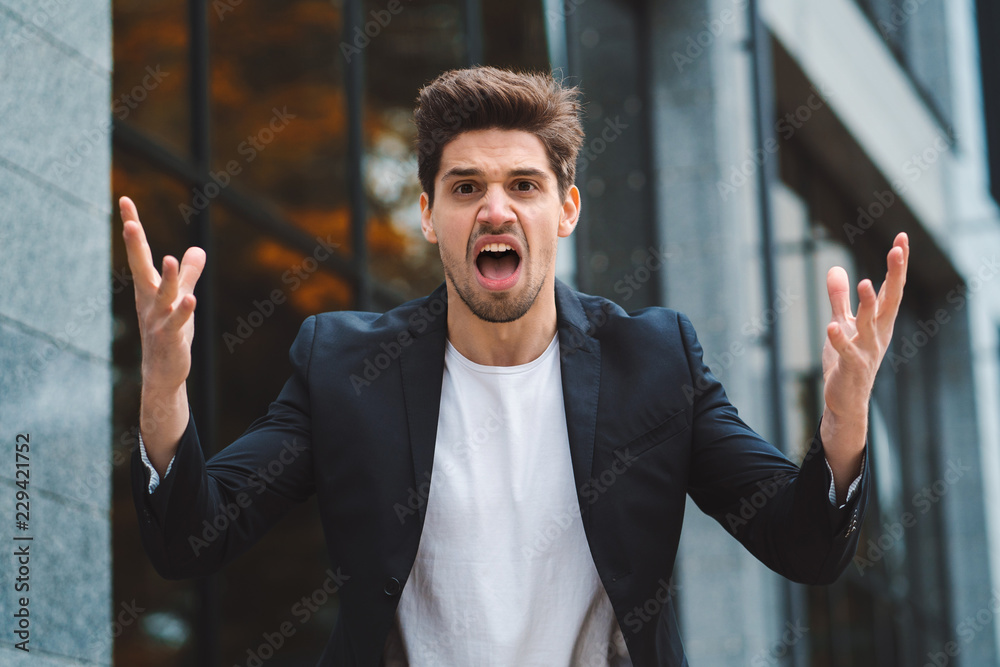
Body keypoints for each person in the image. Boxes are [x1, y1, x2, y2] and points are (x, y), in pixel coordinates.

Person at [123, 66, 909, 666]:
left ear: (565, 209)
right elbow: (192, 539)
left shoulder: (655, 361)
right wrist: (163, 388)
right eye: (466, 187)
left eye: (523, 185)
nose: (495, 209)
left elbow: (803, 545)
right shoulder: (344, 363)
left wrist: (843, 423)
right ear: (429, 214)